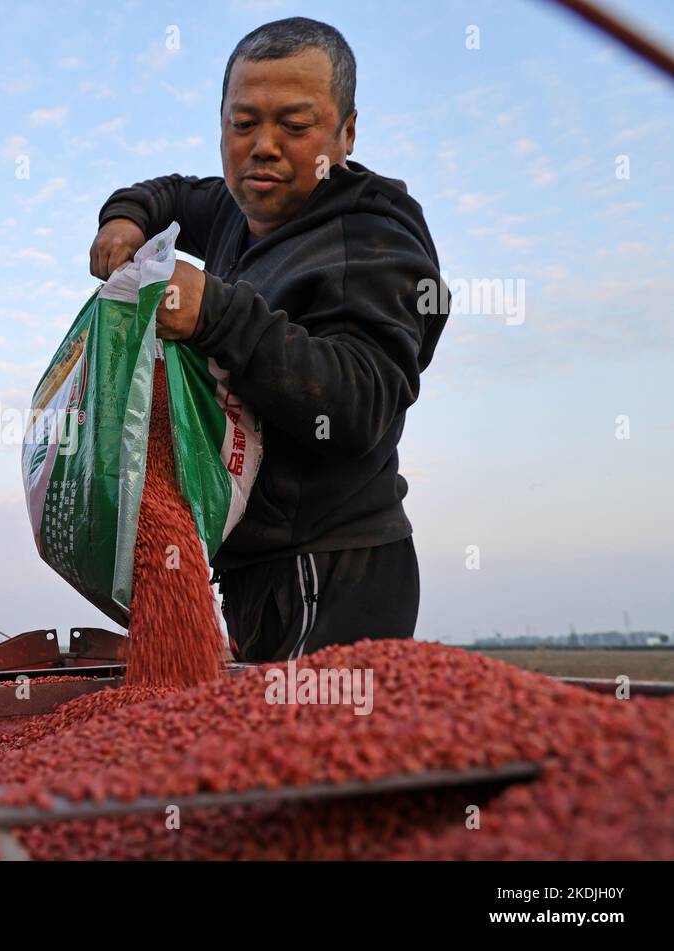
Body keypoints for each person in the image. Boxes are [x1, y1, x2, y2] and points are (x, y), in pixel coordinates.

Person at [89, 17, 447, 663]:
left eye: (295, 125)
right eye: (243, 123)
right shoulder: (239, 208)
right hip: (255, 573)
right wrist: (125, 217)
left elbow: (359, 401)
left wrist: (216, 315)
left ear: (346, 133)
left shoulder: (375, 240)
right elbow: (166, 193)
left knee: (302, 757)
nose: (263, 147)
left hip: (331, 570)